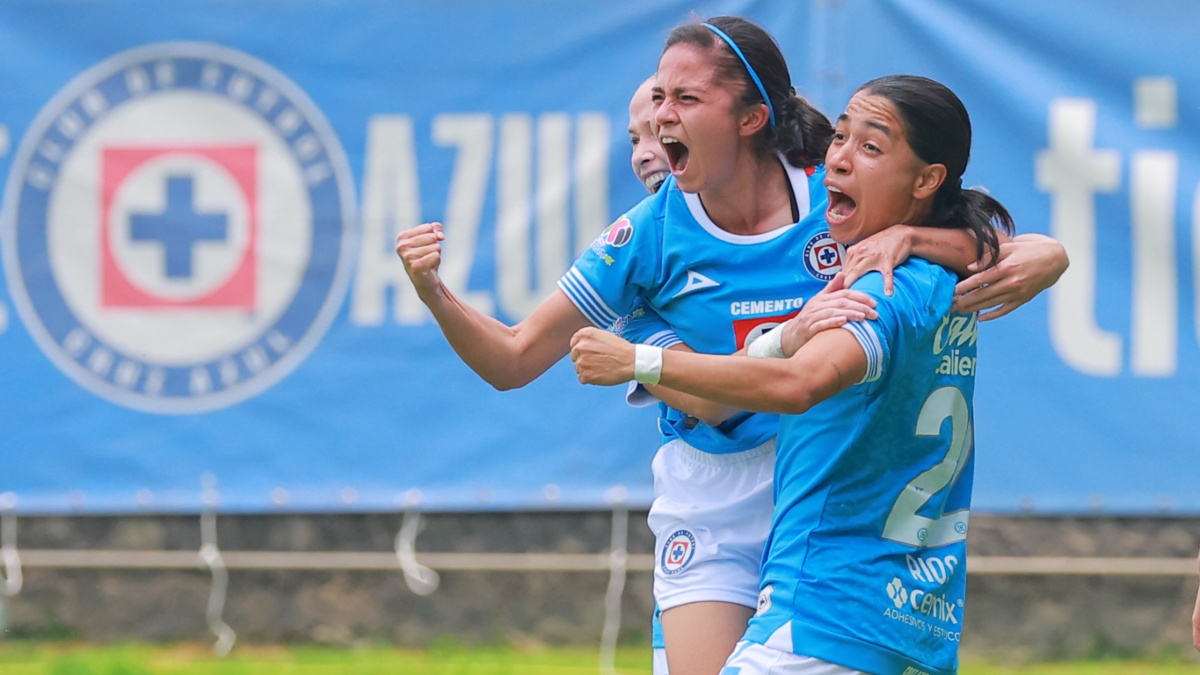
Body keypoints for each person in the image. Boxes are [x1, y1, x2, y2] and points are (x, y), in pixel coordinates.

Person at [398, 17, 1064, 675]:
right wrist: (435, 292)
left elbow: (976, 236)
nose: (656, 128)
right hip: (717, 487)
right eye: (650, 108)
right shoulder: (646, 244)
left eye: (680, 100)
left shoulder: (830, 190)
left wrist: (1016, 251)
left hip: (817, 468)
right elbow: (520, 361)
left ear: (751, 118)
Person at [570, 73, 1013, 675]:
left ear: (927, 179)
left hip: (826, 612)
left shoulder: (879, 289)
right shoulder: (949, 273)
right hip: (912, 617)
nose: (841, 159)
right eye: (839, 138)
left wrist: (638, 363)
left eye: (871, 147)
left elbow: (798, 385)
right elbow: (1013, 247)